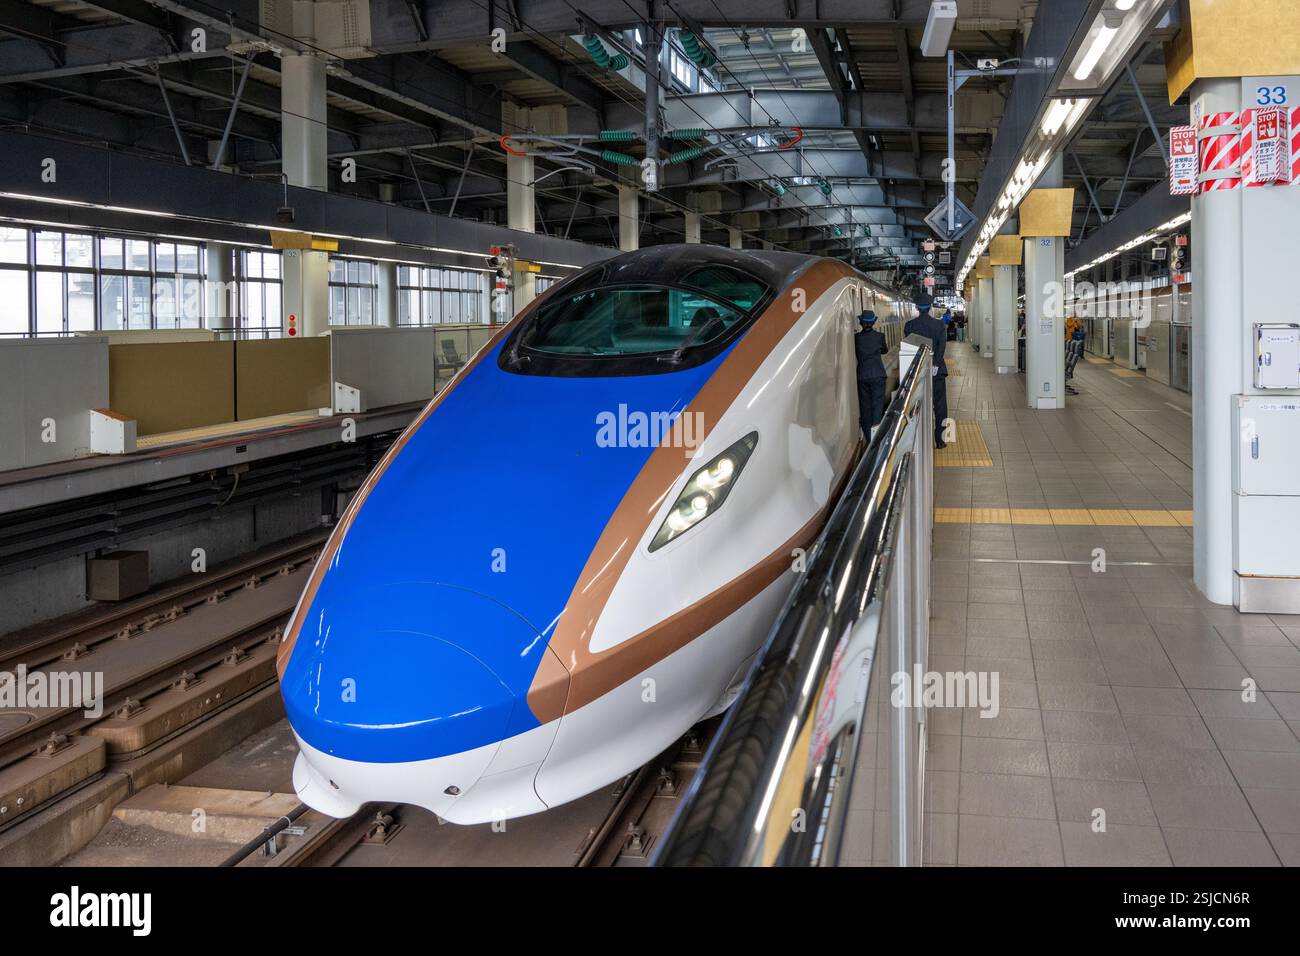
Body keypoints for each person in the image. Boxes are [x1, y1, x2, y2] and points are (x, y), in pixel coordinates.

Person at [903, 294, 949, 448]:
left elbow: (910, 349)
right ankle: (940, 440)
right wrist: (935, 364)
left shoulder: (909, 326)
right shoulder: (939, 325)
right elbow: (942, 347)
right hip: (937, 372)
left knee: (916, 403)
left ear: (916, 308)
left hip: (917, 371)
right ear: (930, 308)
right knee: (940, 405)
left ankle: (918, 438)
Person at [854, 310, 889, 433]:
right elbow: (885, 350)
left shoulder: (856, 338)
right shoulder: (880, 336)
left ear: (860, 322)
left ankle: (868, 436)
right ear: (874, 322)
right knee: (877, 407)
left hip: (862, 376)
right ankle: (876, 436)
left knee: (865, 407)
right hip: (878, 374)